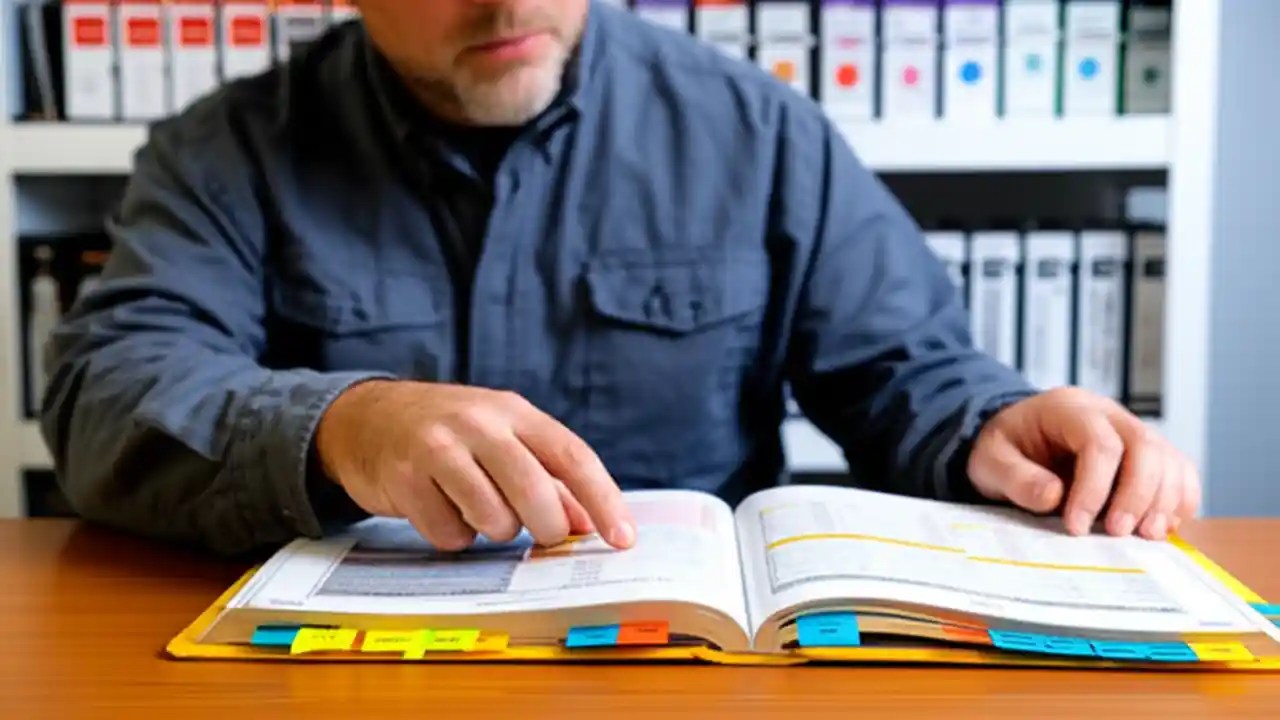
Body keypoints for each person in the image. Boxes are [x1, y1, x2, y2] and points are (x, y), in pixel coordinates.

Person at [39, 0, 1199, 557]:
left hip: (688, 663)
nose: (503, 2)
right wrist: (342, 425)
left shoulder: (754, 131)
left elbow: (908, 369)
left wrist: (994, 423)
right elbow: (105, 395)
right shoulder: (226, 150)